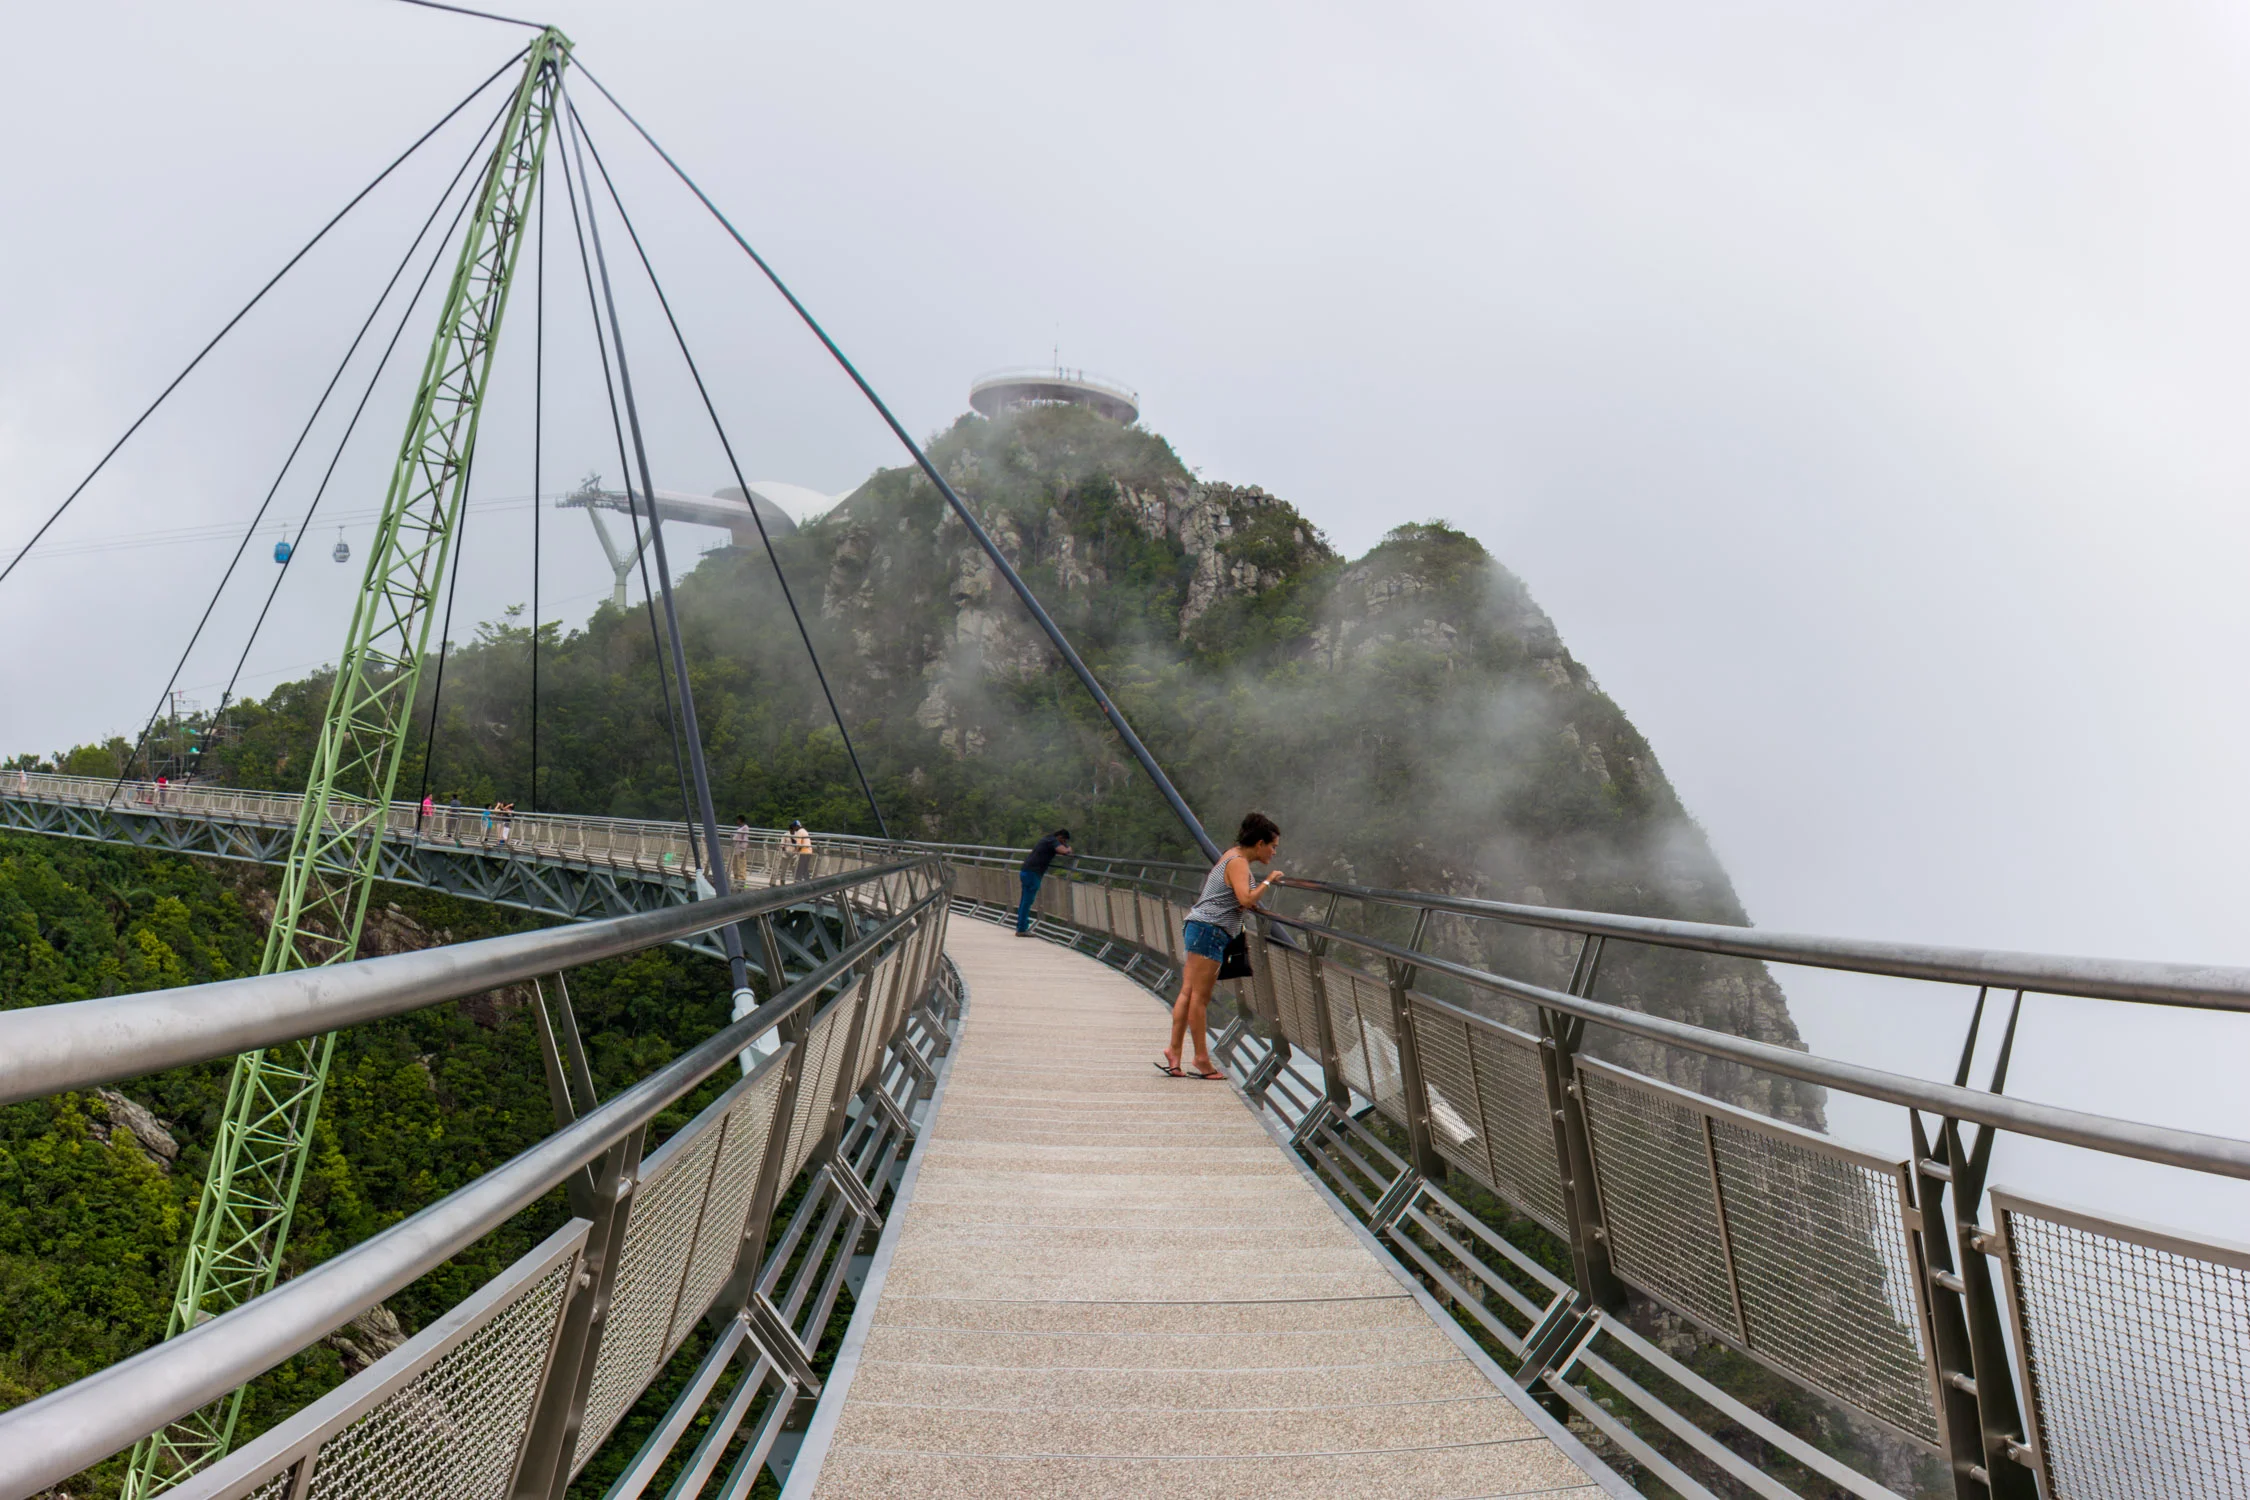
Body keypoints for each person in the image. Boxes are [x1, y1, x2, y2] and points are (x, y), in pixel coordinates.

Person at [1160, 812, 1283, 1080]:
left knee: (1188, 992)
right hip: (1210, 930)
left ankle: (1174, 1052)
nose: (1274, 852)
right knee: (1199, 998)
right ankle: (1202, 1060)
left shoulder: (1230, 855)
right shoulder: (1238, 863)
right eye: (1273, 846)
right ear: (1259, 843)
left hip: (1199, 926)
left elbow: (1232, 897)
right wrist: (1268, 880)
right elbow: (1246, 899)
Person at [1015, 828, 1073, 936]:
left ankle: (1021, 926)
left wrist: (1064, 847)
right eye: (1064, 841)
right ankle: (1022, 929)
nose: (1064, 843)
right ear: (1060, 837)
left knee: (1024, 901)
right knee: (1027, 901)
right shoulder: (1052, 840)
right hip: (1033, 873)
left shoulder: (1047, 839)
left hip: (1027, 871)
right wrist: (1069, 848)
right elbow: (1064, 851)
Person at [731, 815, 752, 886]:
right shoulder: (739, 828)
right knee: (735, 865)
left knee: (741, 865)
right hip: (736, 849)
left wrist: (743, 849)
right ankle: (736, 879)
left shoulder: (745, 828)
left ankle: (742, 882)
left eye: (738, 820)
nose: (737, 821)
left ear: (740, 820)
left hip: (740, 849)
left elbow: (745, 839)